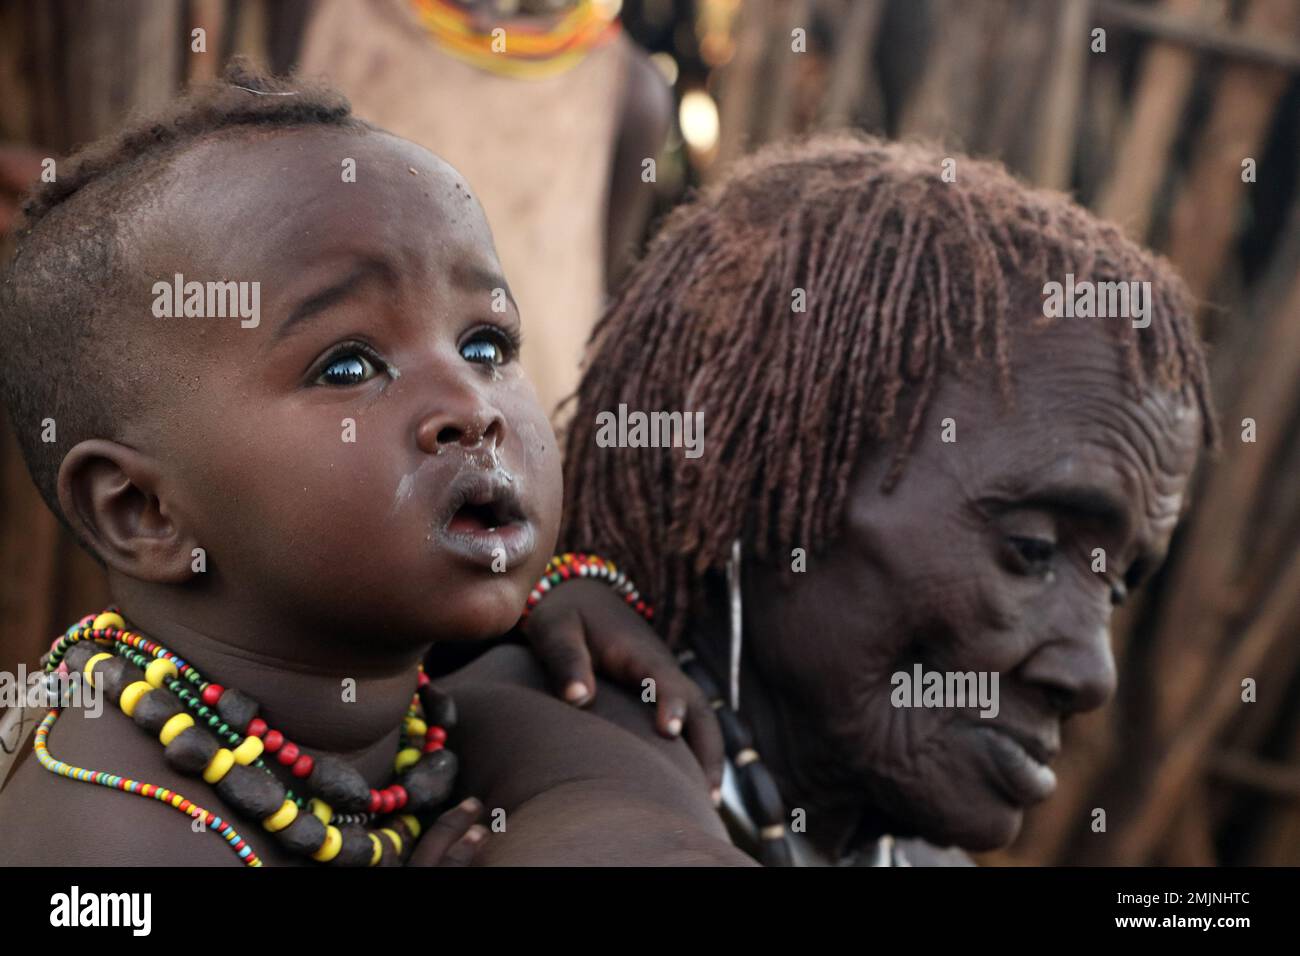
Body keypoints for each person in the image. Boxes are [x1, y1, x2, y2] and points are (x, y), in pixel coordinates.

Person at [0, 64, 742, 867]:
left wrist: (564, 586)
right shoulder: (101, 834)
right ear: (140, 509)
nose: (473, 407)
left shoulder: (474, 715)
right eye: (349, 368)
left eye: (485, 345)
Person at [524, 133, 1217, 865]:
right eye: (1032, 551)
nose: (1090, 675)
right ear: (766, 469)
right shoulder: (534, 756)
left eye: (1116, 587)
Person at [297, 0, 673, 418]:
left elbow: (600, 304)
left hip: (523, 441)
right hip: (338, 428)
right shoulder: (331, 20)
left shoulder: (631, 91)